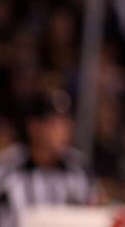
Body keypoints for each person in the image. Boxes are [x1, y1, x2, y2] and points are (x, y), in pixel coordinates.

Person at [0, 90, 93, 226]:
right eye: (55, 124)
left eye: (67, 123)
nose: (64, 131)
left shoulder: (78, 169)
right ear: (35, 127)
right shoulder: (7, 168)